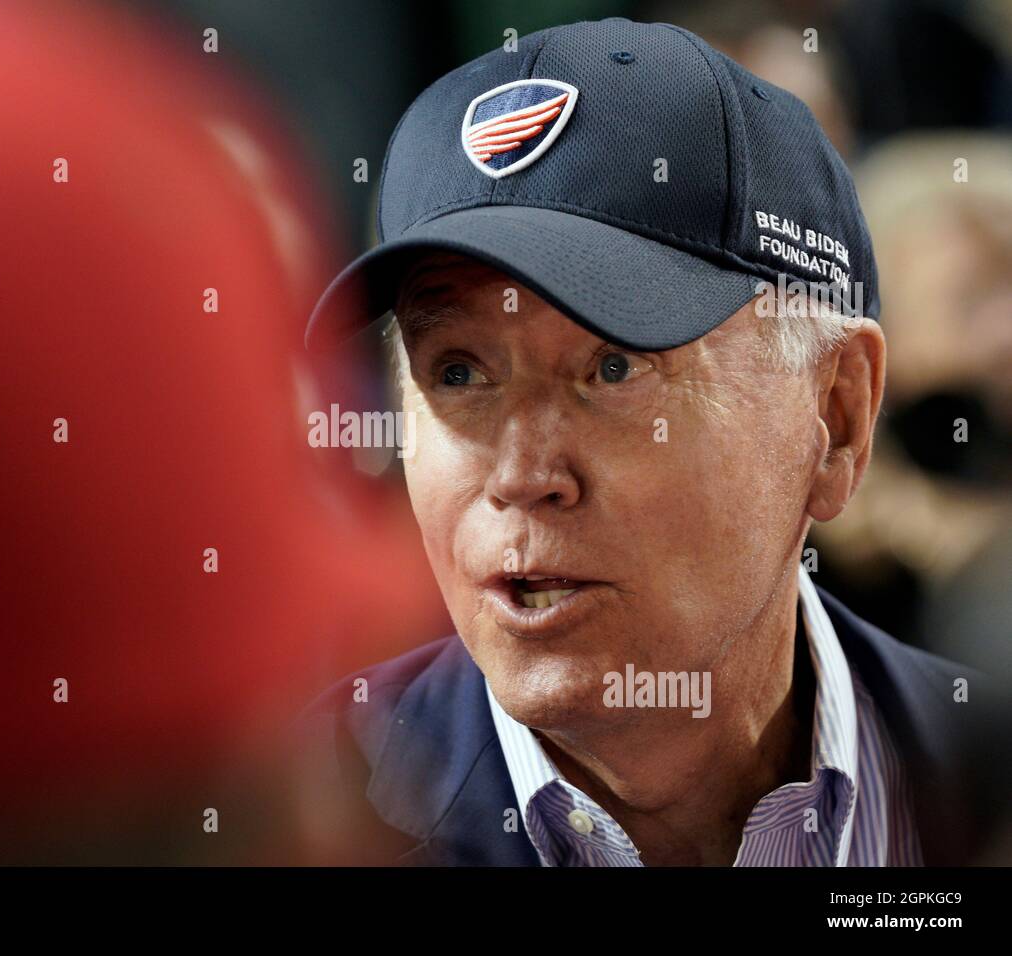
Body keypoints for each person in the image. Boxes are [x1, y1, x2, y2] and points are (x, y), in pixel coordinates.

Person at [289, 18, 999, 867]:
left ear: (837, 417)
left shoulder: (988, 793)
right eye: (457, 374)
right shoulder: (264, 829)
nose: (524, 475)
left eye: (613, 368)